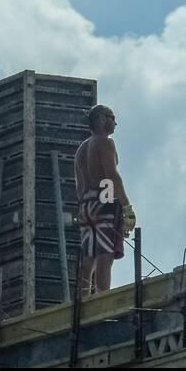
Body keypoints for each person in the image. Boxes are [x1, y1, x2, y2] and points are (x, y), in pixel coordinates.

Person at [74, 105, 135, 295]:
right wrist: (127, 206)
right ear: (101, 119)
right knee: (104, 253)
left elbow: (78, 185)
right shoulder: (105, 142)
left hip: (85, 203)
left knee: (88, 255)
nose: (115, 123)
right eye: (112, 117)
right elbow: (111, 175)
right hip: (104, 198)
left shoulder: (81, 149)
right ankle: (102, 295)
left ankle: (82, 298)